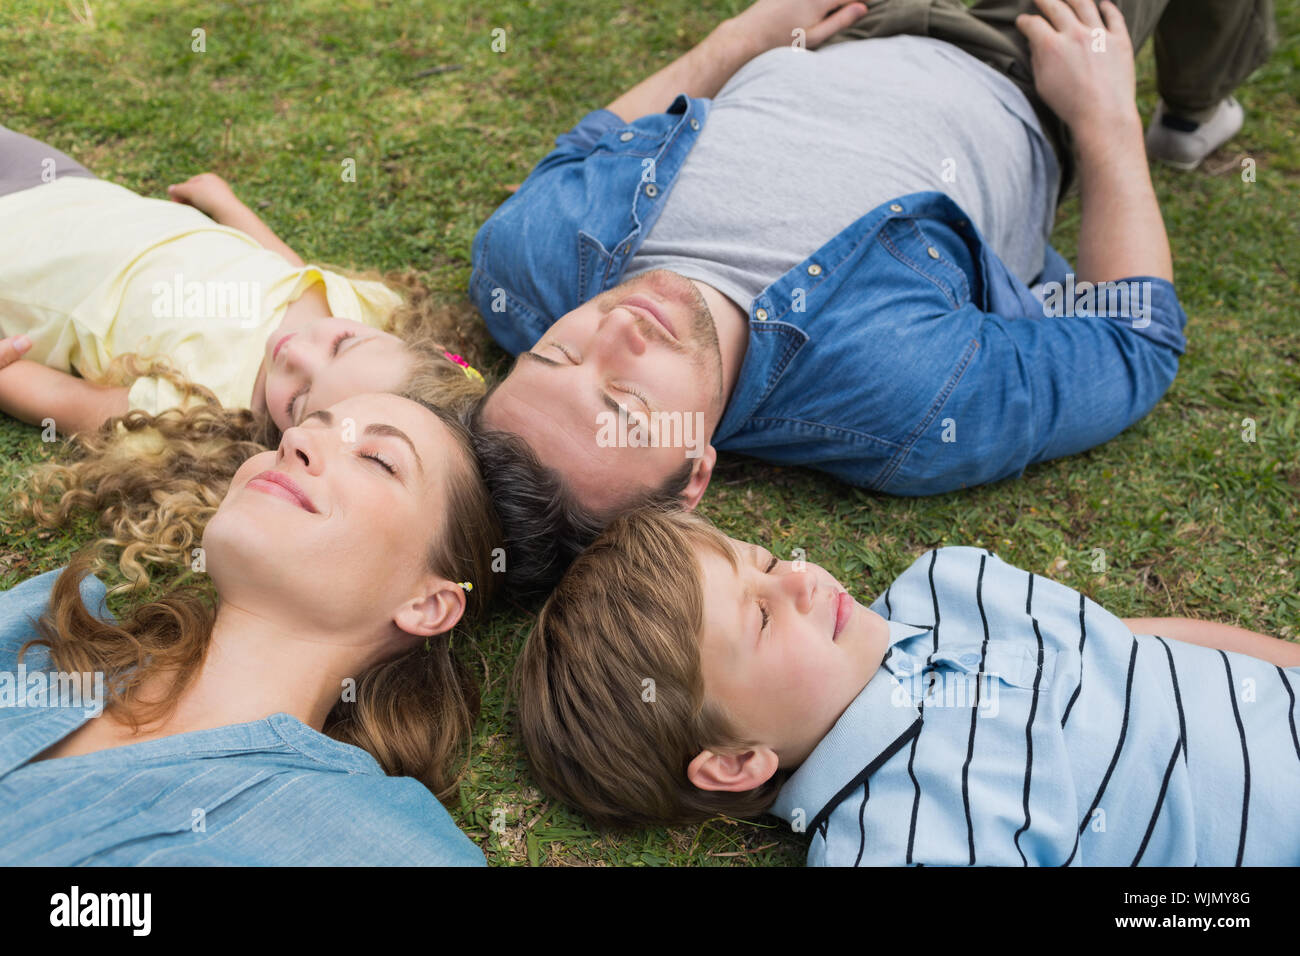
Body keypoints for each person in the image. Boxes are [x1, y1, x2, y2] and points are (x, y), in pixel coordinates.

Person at [466, 0, 1275, 595]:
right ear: (693, 476)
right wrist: (1106, 117)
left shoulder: (522, 268)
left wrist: (739, 39)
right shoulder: (906, 403)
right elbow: (1133, 339)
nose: (618, 334)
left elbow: (588, 145)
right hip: (1025, 52)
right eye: (627, 405)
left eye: (556, 352)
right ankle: (1192, 112)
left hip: (840, 24)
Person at [513, 506, 1300, 865]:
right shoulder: (903, 833)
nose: (800, 581)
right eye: (757, 620)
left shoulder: (948, 586)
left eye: (764, 562)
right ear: (733, 761)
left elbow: (1129, 644)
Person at [0, 392, 498, 865]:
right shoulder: (41, 627)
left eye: (377, 459)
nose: (293, 442)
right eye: (304, 427)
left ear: (428, 605)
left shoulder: (382, 845)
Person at [0, 125, 485, 444]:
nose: (295, 353)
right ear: (405, 340)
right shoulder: (362, 309)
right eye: (341, 345)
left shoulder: (203, 413)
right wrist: (229, 205)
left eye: (299, 400)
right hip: (70, 191)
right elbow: (287, 268)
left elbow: (68, 402)